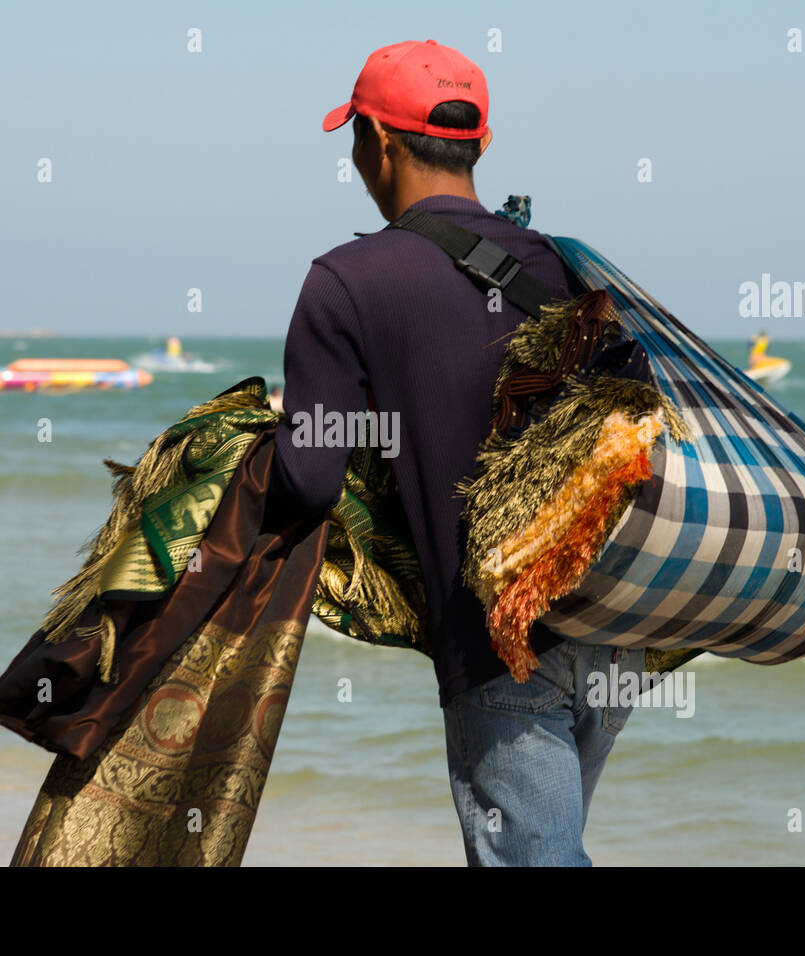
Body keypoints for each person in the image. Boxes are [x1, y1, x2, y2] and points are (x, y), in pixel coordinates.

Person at [268, 38, 646, 866]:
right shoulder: (563, 265)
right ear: (479, 143)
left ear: (379, 141)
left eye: (356, 138)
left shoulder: (347, 281)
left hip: (499, 638)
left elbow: (307, 479)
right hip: (620, 624)